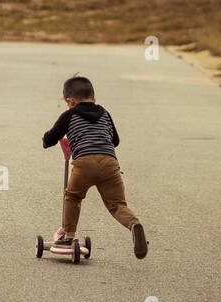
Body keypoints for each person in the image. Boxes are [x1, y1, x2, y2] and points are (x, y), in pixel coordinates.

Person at [42, 74, 148, 259]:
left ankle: (68, 236)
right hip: (110, 162)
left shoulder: (69, 115)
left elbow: (49, 140)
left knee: (73, 197)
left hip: (84, 163)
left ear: (70, 101)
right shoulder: (105, 113)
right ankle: (134, 224)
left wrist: (51, 137)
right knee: (117, 205)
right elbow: (115, 140)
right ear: (94, 98)